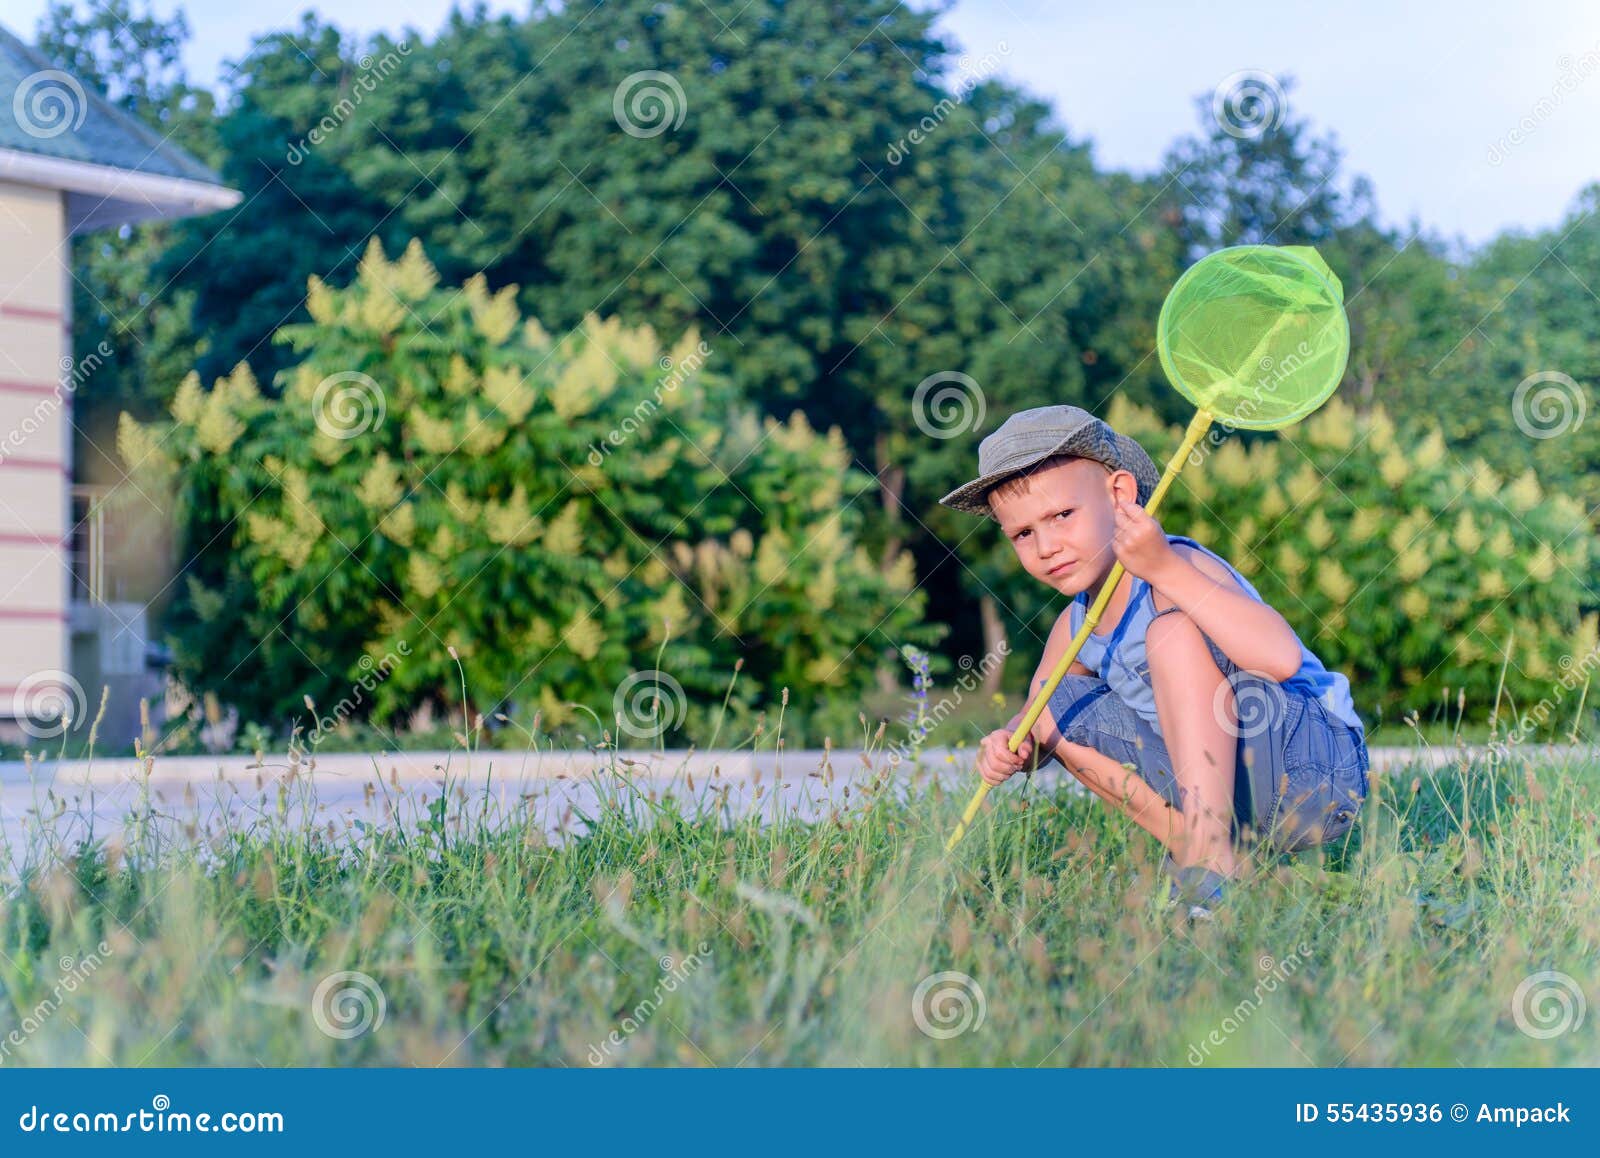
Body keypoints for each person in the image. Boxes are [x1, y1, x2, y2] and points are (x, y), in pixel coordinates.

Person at [938, 405, 1369, 919]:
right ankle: (1203, 851)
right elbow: (1036, 722)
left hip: (1312, 766)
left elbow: (1278, 658)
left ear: (1119, 495)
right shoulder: (1072, 626)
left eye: (1061, 516)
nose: (1047, 546)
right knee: (1052, 702)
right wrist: (1012, 744)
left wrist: (1163, 566)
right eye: (1023, 534)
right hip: (1235, 798)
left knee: (1171, 631)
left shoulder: (1177, 563)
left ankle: (1210, 861)